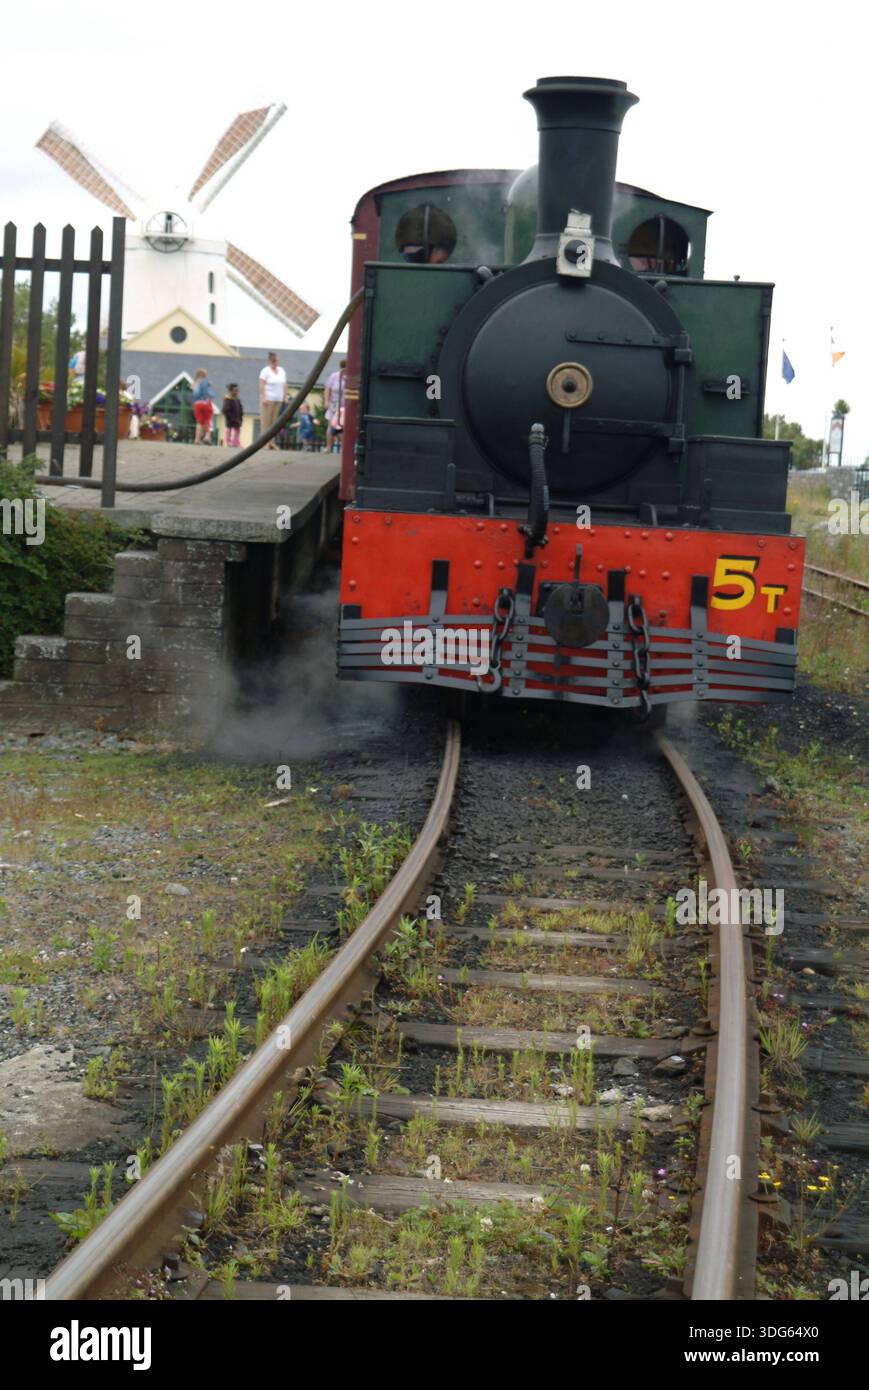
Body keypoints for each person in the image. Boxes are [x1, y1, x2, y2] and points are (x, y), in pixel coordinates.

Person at [259, 351, 288, 449]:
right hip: (268, 399)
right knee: (266, 421)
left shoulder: (282, 371)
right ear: (270, 360)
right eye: (273, 360)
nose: (275, 362)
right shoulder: (265, 371)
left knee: (274, 422)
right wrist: (263, 397)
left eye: (276, 360)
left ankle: (272, 442)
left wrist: (285, 396)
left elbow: (284, 384)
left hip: (278, 399)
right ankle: (264, 443)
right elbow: (262, 384)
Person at [324, 359, 346, 453]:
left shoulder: (351, 377)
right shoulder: (334, 376)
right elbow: (327, 389)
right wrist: (326, 401)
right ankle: (328, 447)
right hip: (334, 404)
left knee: (343, 427)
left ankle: (344, 449)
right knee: (331, 425)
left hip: (345, 406)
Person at [192, 369, 215, 444]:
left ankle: (197, 439)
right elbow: (205, 392)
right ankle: (207, 437)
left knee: (199, 422)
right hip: (205, 403)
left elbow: (194, 395)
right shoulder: (204, 381)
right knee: (208, 420)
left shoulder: (195, 383)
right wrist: (212, 395)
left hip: (197, 404)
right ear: (204, 375)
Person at [223, 383, 243, 447]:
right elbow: (225, 410)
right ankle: (228, 442)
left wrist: (241, 416)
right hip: (230, 418)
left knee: (237, 430)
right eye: (235, 390)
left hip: (237, 418)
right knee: (229, 430)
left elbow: (240, 409)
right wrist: (230, 417)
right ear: (231, 391)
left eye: (237, 390)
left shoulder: (237, 400)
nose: (237, 392)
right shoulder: (228, 400)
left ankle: (236, 442)